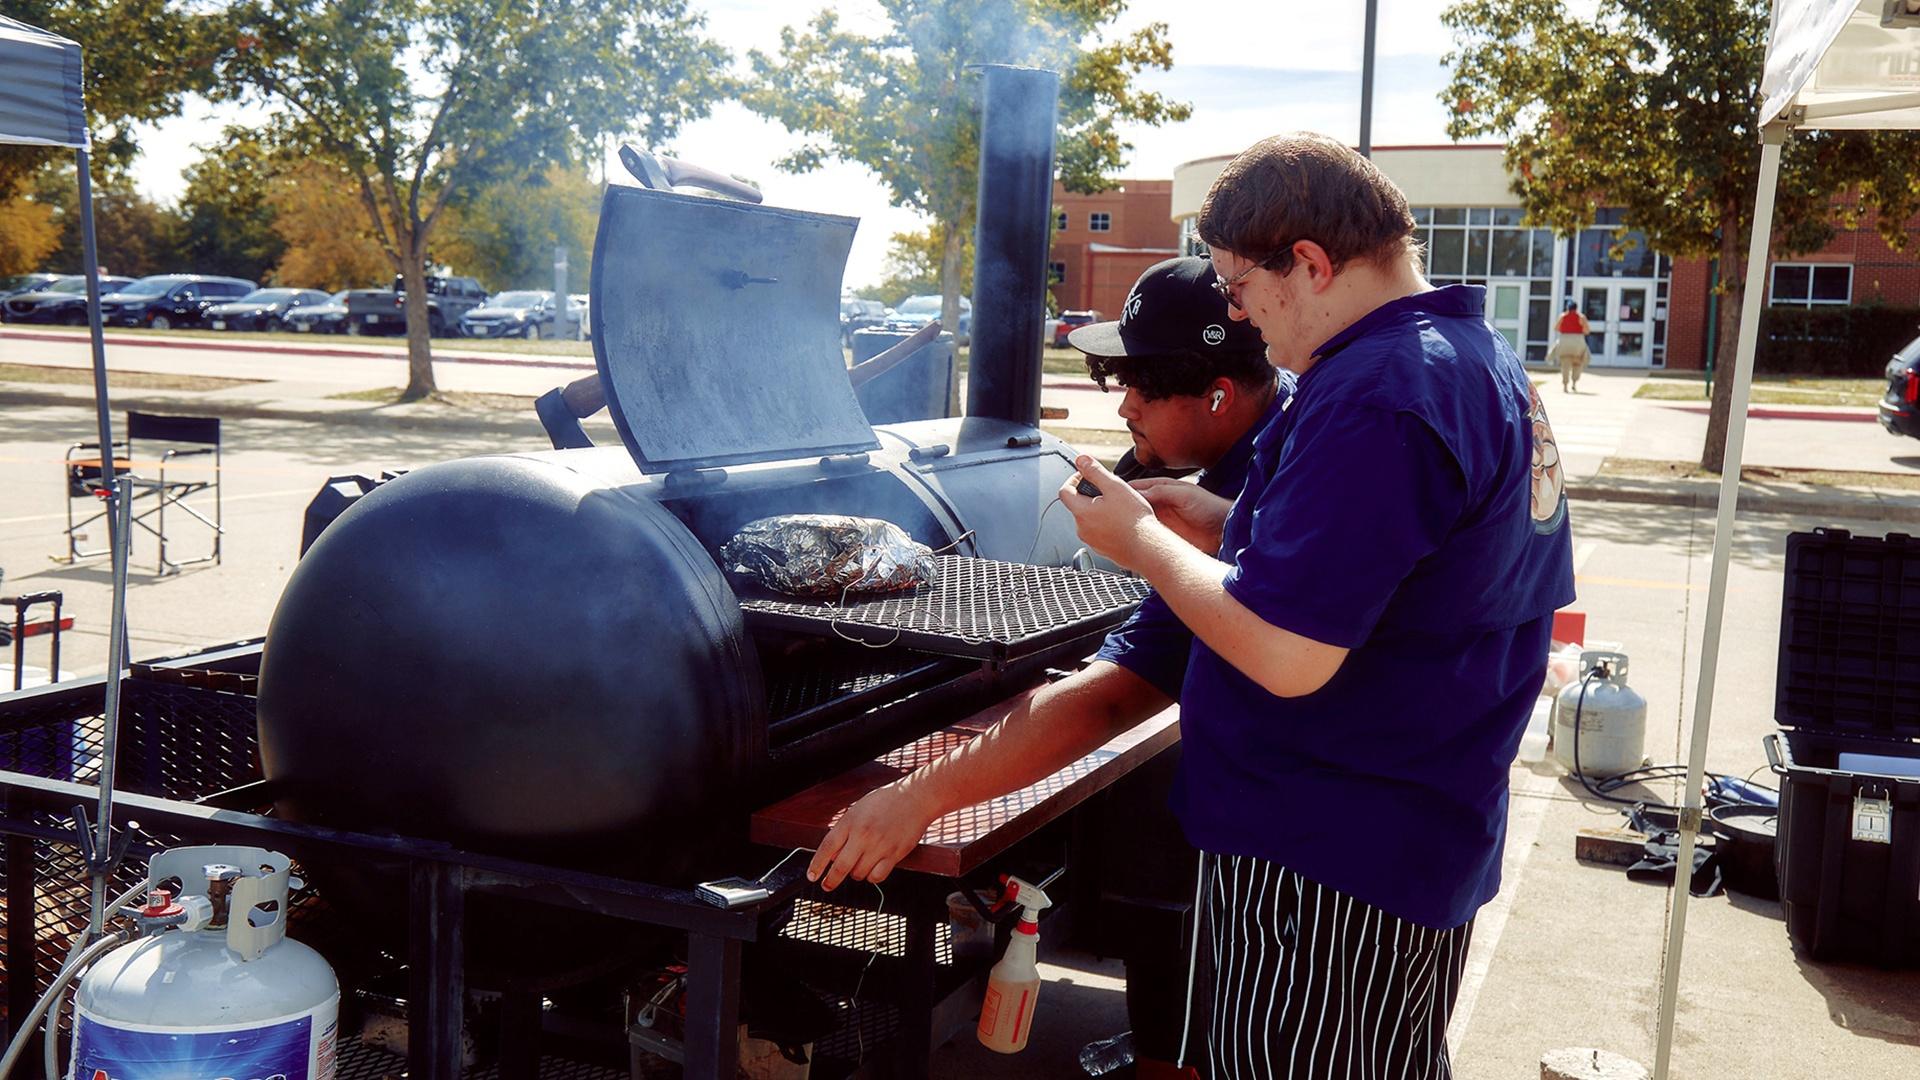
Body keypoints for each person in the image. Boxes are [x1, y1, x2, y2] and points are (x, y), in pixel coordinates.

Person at [1054, 133, 1575, 1078]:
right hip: (1411, 831)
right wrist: (1217, 519)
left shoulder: (1379, 393)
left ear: (1309, 263)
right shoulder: (1467, 355)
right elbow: (1400, 570)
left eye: (1240, 288)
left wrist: (1143, 543)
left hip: (1327, 855)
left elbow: (1290, 653)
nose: (1241, 317)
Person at [807, 255, 1280, 1078]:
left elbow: (1116, 697)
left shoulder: (1273, 474)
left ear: (1217, 396)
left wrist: (919, 795)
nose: (1123, 405)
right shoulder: (1272, 444)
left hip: (1301, 841)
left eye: (1142, 387)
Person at [1553, 301, 1592, 391]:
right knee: (1578, 363)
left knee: (1565, 364)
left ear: (1567, 308)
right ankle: (1574, 382)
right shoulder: (1581, 317)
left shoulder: (1562, 316)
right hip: (1577, 341)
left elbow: (1556, 328)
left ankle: (1565, 386)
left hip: (1564, 340)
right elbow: (1587, 331)